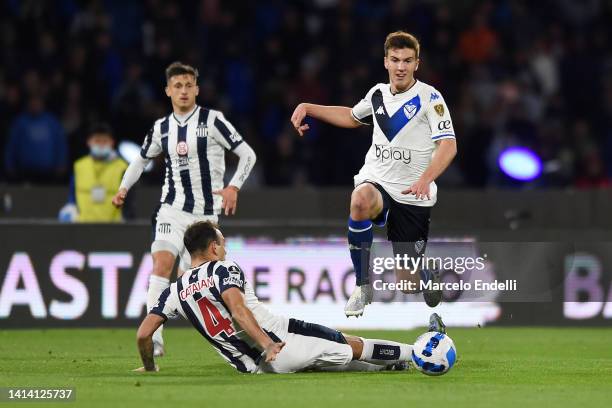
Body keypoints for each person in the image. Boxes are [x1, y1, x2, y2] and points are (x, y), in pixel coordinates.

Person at [290, 31, 458, 317]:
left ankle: (426, 275)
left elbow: (449, 145)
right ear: (386, 62)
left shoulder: (431, 98)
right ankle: (362, 286)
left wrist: (426, 178)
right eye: (395, 60)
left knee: (407, 284)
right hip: (378, 181)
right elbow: (351, 117)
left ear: (417, 63)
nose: (401, 66)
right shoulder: (377, 94)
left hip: (413, 196)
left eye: (407, 60)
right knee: (360, 200)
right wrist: (308, 107)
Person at [134, 221, 447, 373]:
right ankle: (421, 351)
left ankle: (390, 366)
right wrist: (267, 343)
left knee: (329, 357)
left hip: (250, 368)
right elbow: (239, 310)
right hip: (279, 340)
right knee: (348, 344)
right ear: (213, 248)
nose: (225, 248)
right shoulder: (222, 269)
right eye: (223, 243)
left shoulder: (174, 291)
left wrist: (149, 367)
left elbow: (144, 334)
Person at [112, 62, 257, 356]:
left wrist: (234, 186)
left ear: (197, 89)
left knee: (208, 281)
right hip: (172, 209)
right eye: (177, 86)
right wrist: (123, 188)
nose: (183, 91)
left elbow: (247, 154)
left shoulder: (213, 120)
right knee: (160, 266)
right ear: (168, 91)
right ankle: (154, 340)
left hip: (205, 216)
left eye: (188, 85)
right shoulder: (161, 128)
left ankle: (246, 331)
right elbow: (141, 160)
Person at [60, 123, 128, 222]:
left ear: (112, 142)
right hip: (83, 228)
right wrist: (69, 209)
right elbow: (72, 198)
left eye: (105, 141)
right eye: (97, 141)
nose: (101, 145)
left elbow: (129, 205)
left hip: (112, 229)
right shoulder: (79, 166)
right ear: (89, 142)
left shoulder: (123, 168)